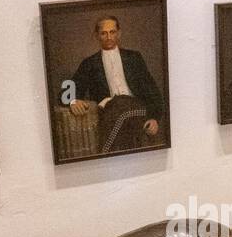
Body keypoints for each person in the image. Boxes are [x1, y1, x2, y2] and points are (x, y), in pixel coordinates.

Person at [67, 16, 165, 154]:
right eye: (103, 33)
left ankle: (104, 153)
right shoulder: (89, 63)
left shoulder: (134, 57)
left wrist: (154, 117)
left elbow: (152, 90)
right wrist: (72, 100)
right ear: (96, 36)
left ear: (119, 33)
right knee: (117, 106)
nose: (108, 37)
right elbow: (68, 87)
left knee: (120, 102)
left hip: (138, 107)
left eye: (112, 32)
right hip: (110, 111)